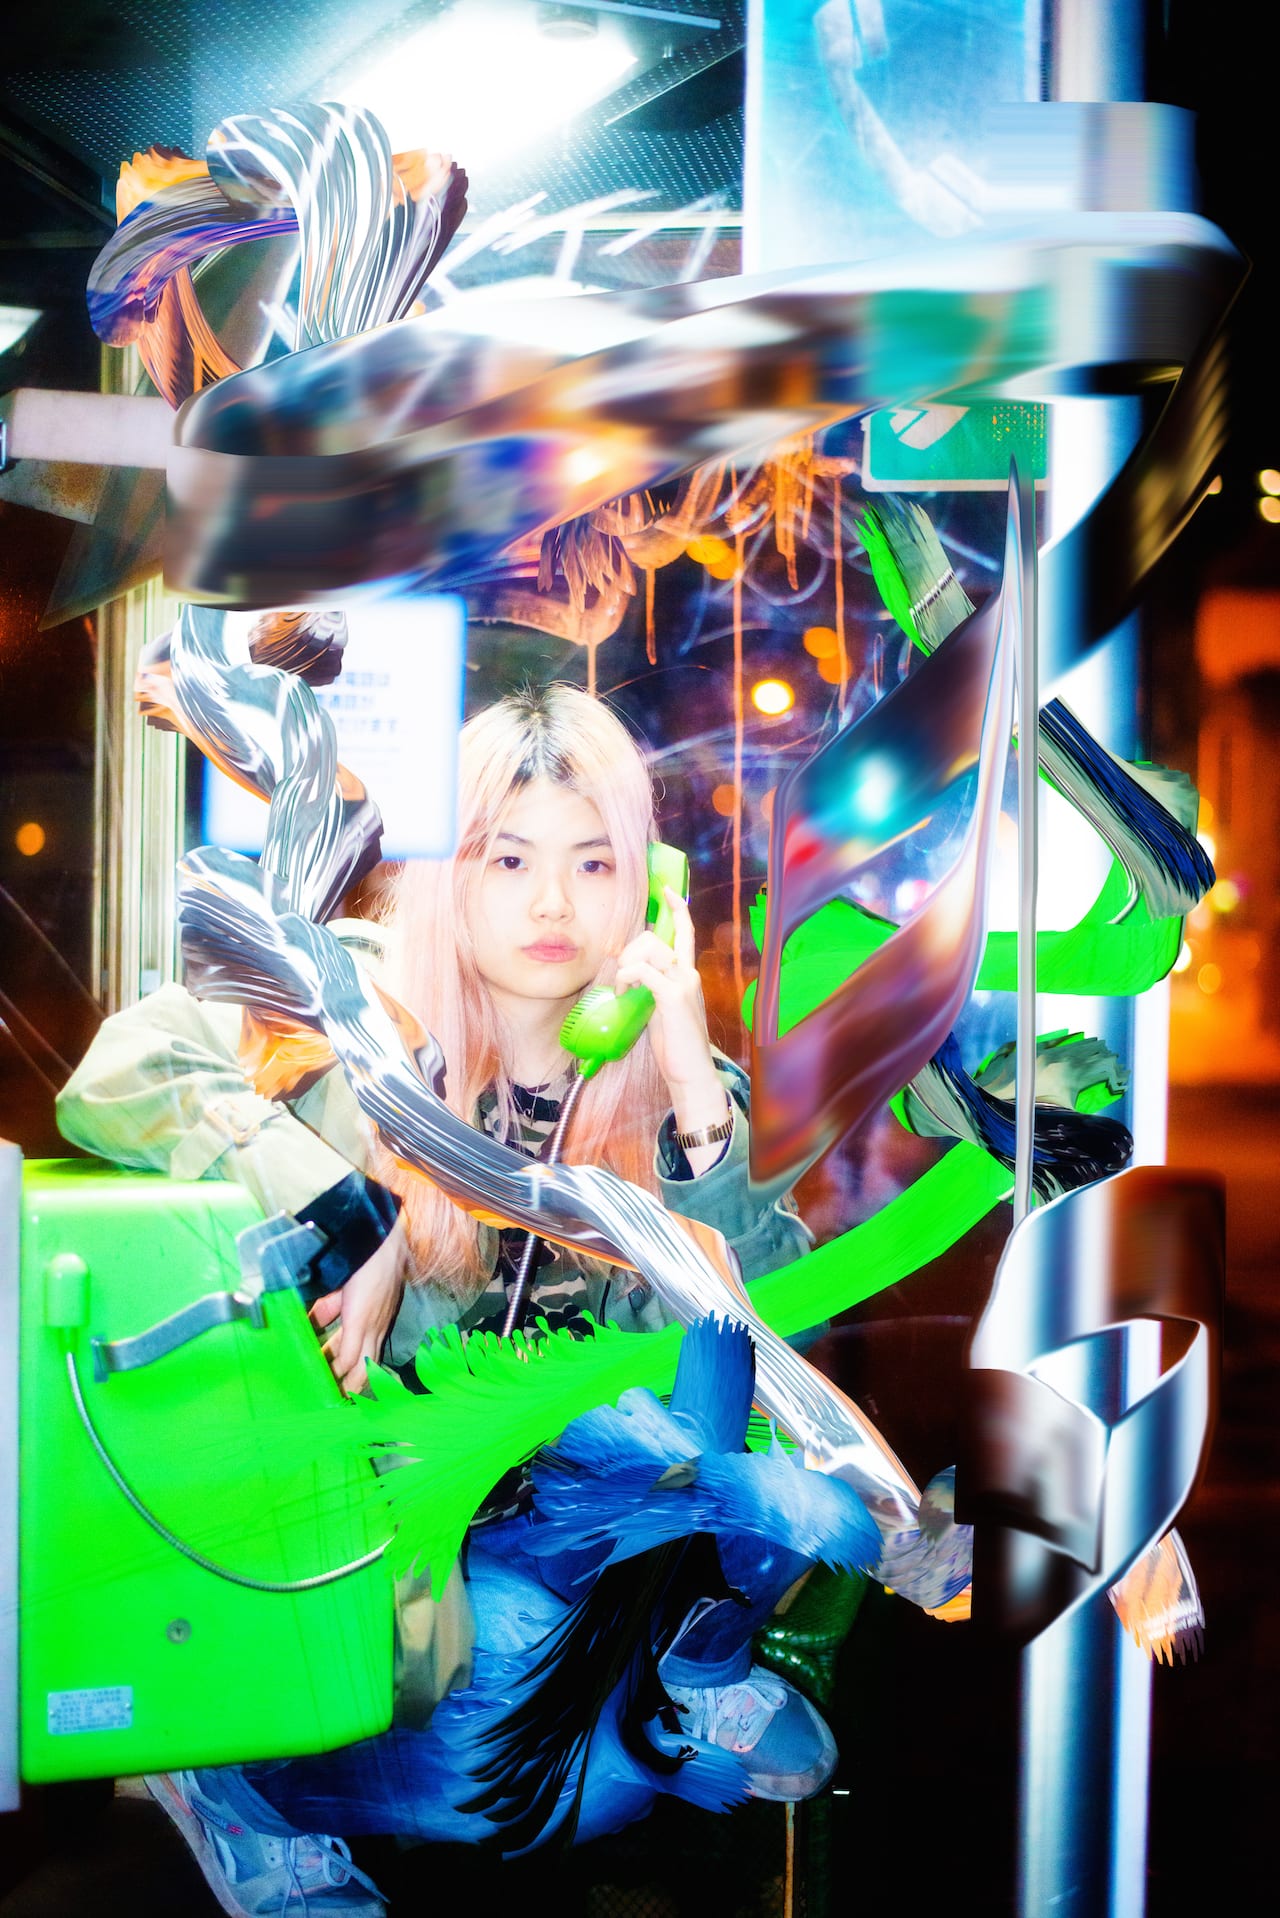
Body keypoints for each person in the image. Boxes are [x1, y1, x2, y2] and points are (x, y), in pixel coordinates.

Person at [58, 683, 829, 1915]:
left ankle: (690, 1666)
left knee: (793, 1478)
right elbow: (125, 1068)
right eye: (508, 858)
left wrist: (694, 1102)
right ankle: (241, 1786)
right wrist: (344, 1207)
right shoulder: (353, 1000)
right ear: (449, 870)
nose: (551, 904)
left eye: (592, 862)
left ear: (644, 884)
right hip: (371, 1531)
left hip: (564, 1520)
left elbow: (777, 1359)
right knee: (542, 1760)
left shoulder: (672, 1076)